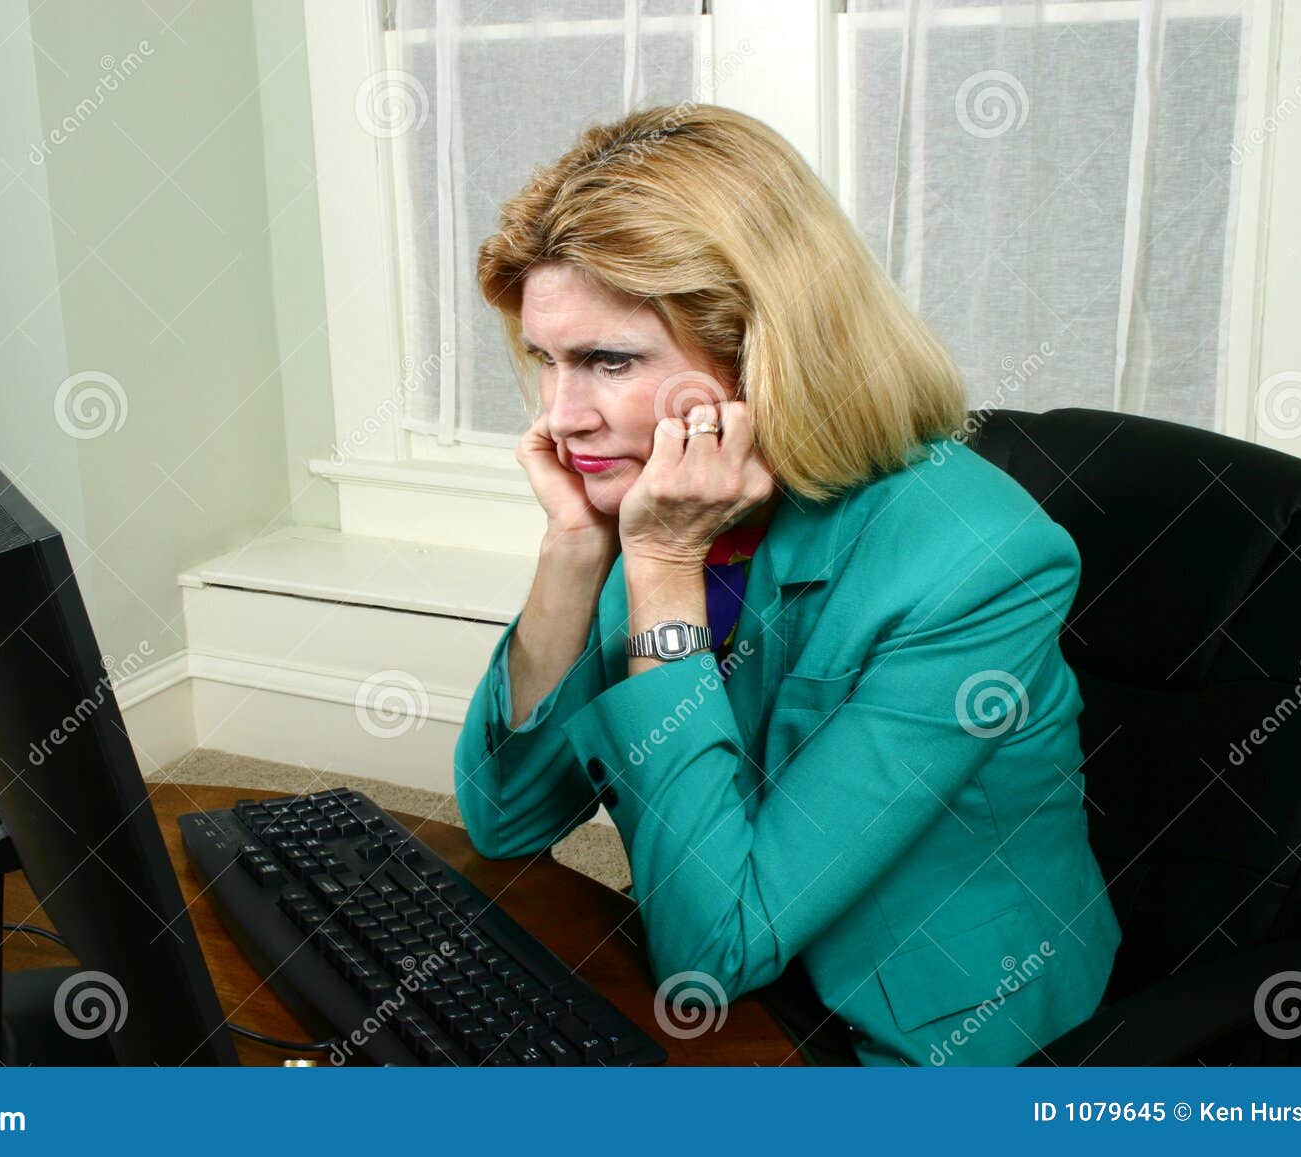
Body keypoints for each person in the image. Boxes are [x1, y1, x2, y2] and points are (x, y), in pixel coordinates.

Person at [452, 104, 1120, 1067]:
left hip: (920, 1034)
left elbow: (713, 951)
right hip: (731, 971)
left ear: (764, 352)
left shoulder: (982, 563)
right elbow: (506, 816)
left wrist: (665, 574)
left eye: (609, 360)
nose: (562, 418)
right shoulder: (659, 498)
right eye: (544, 361)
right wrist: (574, 548)